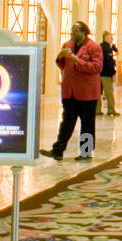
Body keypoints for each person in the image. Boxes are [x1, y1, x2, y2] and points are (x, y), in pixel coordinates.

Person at [41, 21, 104, 161]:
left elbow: (97, 68)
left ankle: (86, 153)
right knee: (67, 122)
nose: (71, 33)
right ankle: (57, 151)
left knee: (87, 123)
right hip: (70, 91)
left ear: (83, 32)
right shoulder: (68, 45)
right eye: (71, 30)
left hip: (87, 93)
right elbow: (62, 65)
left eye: (74, 30)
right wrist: (60, 56)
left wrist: (78, 62)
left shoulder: (94, 47)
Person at [99, 31, 122, 115]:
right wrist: (113, 73)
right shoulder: (107, 48)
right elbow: (109, 62)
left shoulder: (100, 46)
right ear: (106, 38)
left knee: (98, 93)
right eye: (110, 37)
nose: (111, 39)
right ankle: (111, 110)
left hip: (99, 73)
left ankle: (97, 110)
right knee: (109, 93)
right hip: (106, 74)